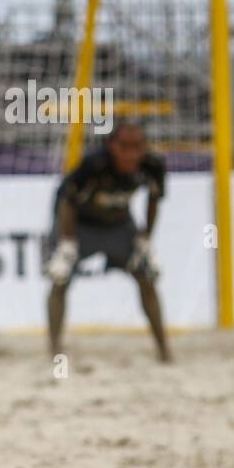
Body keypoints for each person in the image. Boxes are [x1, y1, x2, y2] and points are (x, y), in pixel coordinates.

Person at [45, 122, 171, 363]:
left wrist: (145, 239)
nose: (131, 154)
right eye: (124, 147)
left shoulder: (153, 166)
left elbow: (154, 200)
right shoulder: (94, 165)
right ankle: (54, 349)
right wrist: (67, 244)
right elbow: (66, 202)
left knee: (146, 277)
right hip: (80, 226)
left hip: (119, 226)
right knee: (60, 280)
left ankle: (164, 350)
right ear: (111, 145)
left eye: (137, 147)